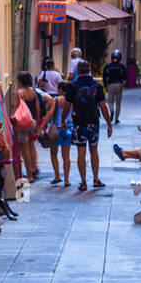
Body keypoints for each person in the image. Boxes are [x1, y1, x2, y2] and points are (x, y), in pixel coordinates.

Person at [62, 59, 112, 191]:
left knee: (81, 152)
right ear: (89, 70)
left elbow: (67, 106)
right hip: (93, 123)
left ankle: (83, 182)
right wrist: (109, 124)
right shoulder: (96, 86)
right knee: (94, 150)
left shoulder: (73, 86)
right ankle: (96, 179)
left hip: (78, 123)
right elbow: (103, 107)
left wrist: (63, 120)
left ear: (78, 71)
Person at [14, 72, 44, 182]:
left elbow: (16, 109)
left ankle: (29, 175)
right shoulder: (33, 92)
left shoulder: (20, 93)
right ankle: (34, 167)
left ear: (20, 81)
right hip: (32, 123)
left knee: (25, 150)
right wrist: (37, 124)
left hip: (23, 124)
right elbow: (38, 110)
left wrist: (13, 121)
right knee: (32, 145)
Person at [46, 81, 74, 186]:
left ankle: (57, 176)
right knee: (66, 156)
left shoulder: (56, 100)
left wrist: (42, 126)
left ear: (61, 90)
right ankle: (66, 180)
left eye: (58, 89)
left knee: (54, 153)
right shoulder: (71, 101)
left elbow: (50, 114)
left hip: (56, 130)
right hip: (68, 129)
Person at [103, 49, 126, 124]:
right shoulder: (122, 66)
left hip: (110, 85)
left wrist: (105, 85)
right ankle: (116, 119)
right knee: (118, 103)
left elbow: (104, 76)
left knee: (110, 101)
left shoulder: (107, 66)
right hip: (119, 85)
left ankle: (112, 111)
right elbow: (125, 77)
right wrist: (123, 84)